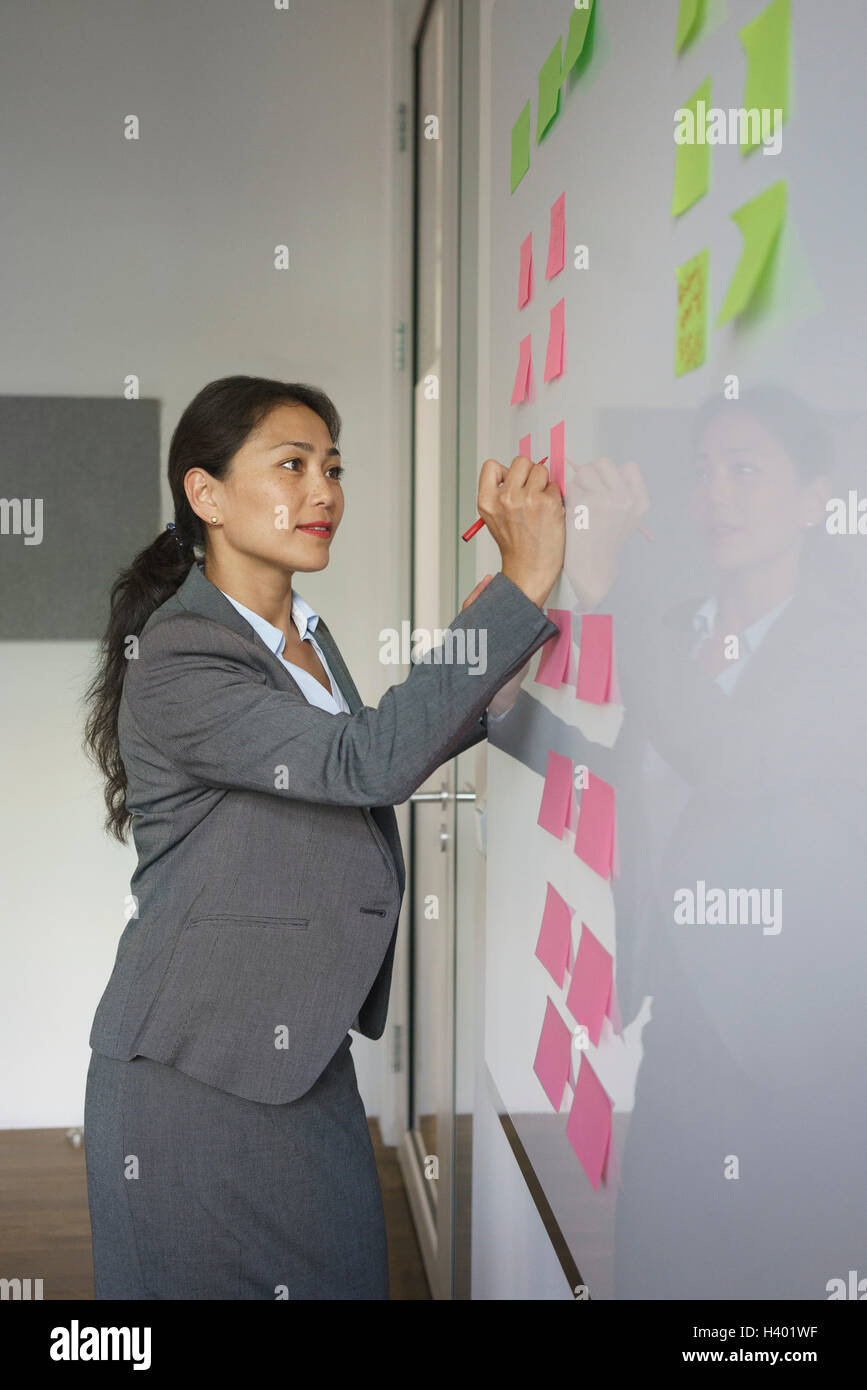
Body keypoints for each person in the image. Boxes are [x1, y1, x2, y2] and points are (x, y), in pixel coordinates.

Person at [81, 374, 564, 1300]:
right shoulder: (183, 651)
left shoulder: (298, 631)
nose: (324, 492)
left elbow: (362, 750)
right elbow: (367, 761)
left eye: (332, 467)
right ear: (206, 494)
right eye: (292, 464)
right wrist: (520, 584)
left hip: (296, 1050)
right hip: (193, 1073)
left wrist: (492, 661)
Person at [561, 388, 867, 1298]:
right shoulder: (676, 633)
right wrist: (500, 719)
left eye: (745, 470)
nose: (716, 495)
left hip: (803, 1052)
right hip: (681, 1020)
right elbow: (638, 780)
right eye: (702, 473)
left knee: (782, 1299)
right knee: (664, 1275)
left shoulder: (842, 647)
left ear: (814, 497)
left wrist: (604, 589)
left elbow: (730, 762)